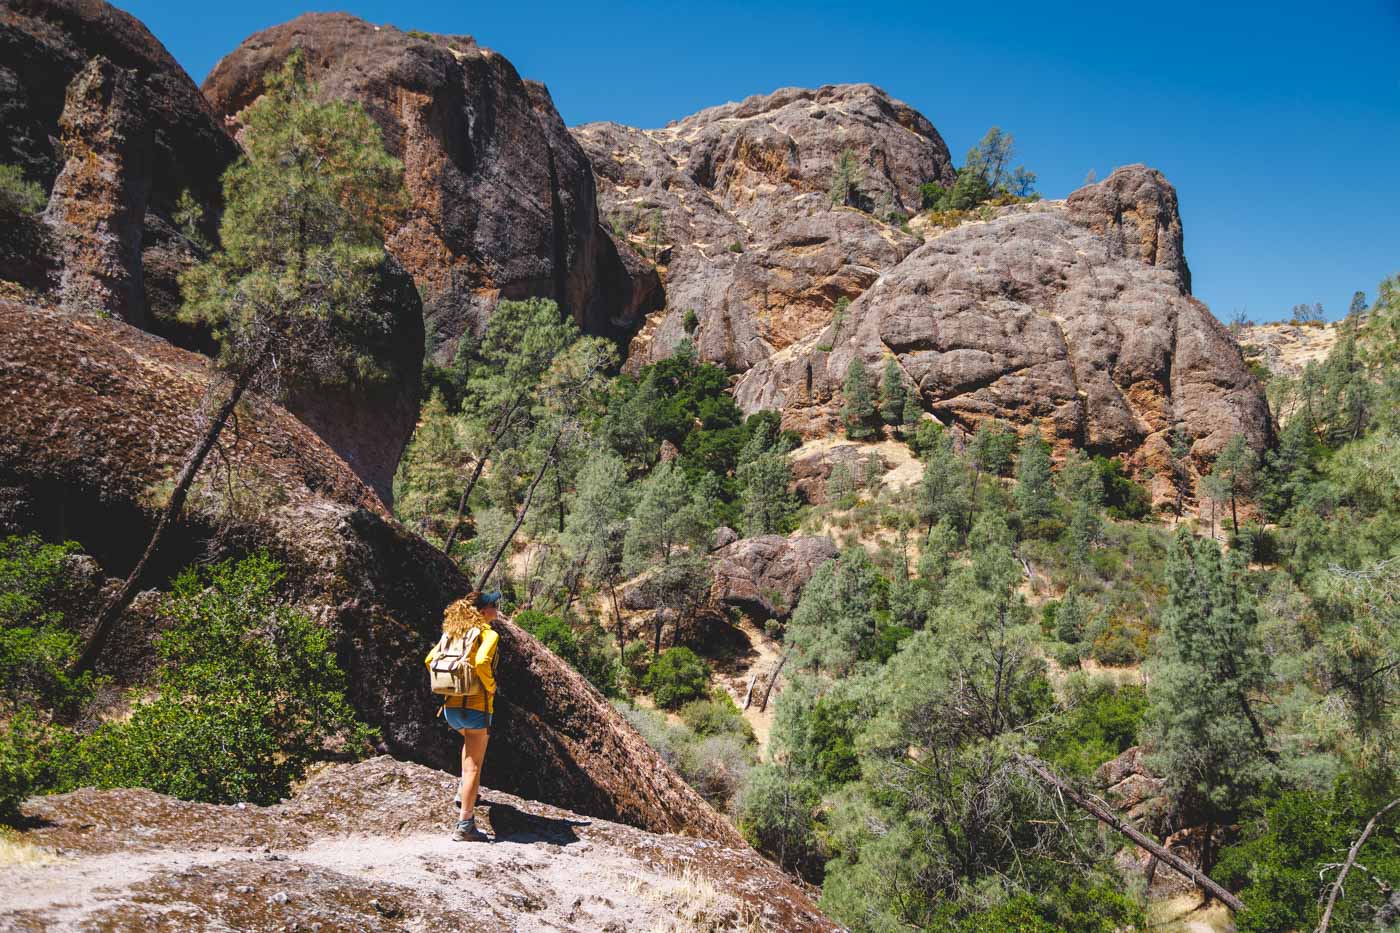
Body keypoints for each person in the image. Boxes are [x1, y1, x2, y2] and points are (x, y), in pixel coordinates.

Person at [426, 590, 501, 842]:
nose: (496, 608)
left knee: (469, 749)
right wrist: (490, 686)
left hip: (451, 709)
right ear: (483, 611)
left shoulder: (454, 633)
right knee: (473, 767)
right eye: (493, 605)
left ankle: (464, 792)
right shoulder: (488, 634)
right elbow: (481, 662)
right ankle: (465, 824)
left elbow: (429, 660)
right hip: (477, 709)